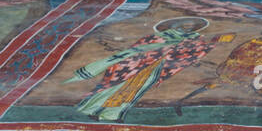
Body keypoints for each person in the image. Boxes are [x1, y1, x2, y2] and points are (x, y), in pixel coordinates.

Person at [65, 17, 234, 122]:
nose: (187, 28)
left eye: (191, 26)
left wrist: (214, 42)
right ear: (175, 25)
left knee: (134, 91)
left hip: (154, 68)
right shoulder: (158, 37)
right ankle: (90, 108)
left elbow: (193, 52)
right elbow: (139, 47)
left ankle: (110, 115)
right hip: (134, 65)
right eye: (184, 25)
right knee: (111, 86)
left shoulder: (194, 40)